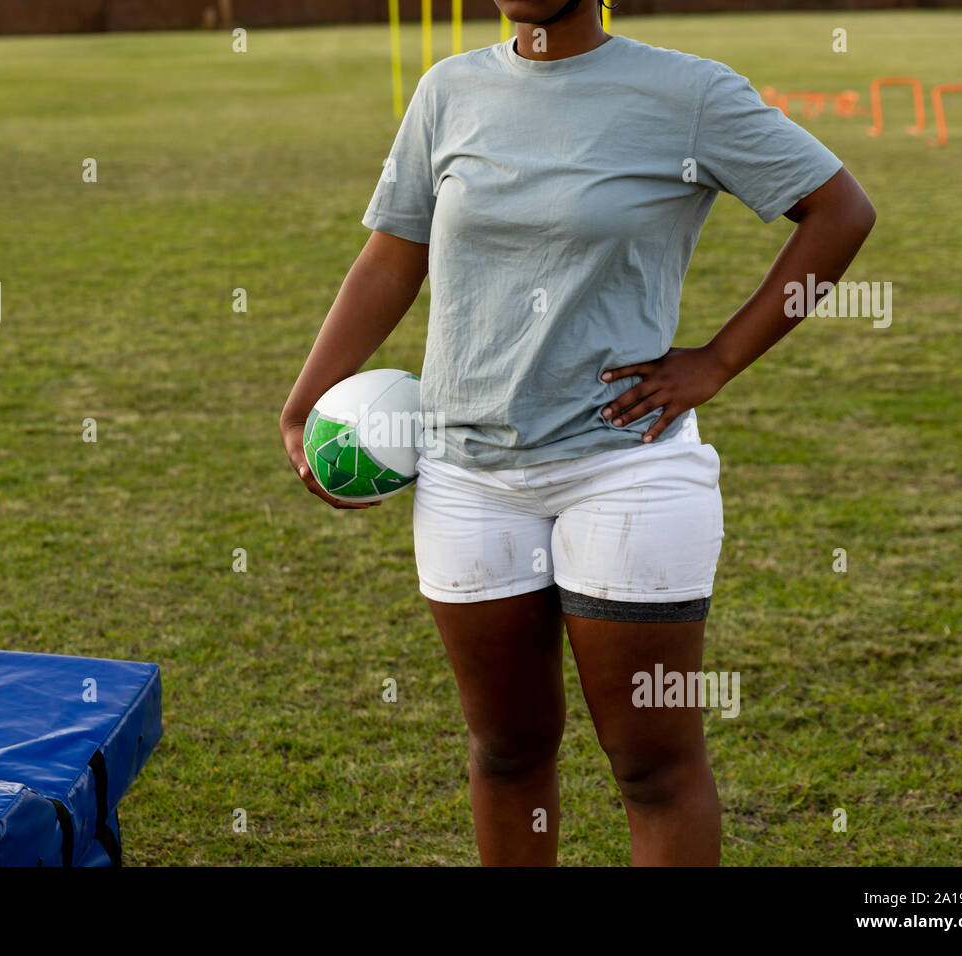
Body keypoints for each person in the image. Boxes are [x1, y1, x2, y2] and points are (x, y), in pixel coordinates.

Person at [280, 0, 876, 865]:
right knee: (507, 751)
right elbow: (390, 254)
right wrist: (304, 400)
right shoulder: (449, 91)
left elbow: (840, 212)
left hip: (625, 472)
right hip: (466, 476)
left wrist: (714, 362)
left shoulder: (689, 92)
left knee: (652, 768)